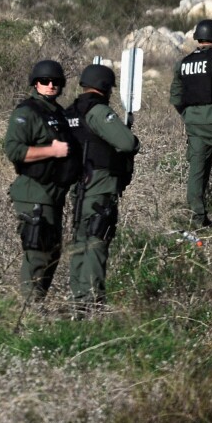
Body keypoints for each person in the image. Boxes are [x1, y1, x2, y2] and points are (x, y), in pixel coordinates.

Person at [65, 64, 141, 315]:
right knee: (97, 241)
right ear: (106, 87)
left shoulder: (70, 112)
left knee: (80, 241)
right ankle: (94, 302)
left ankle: (78, 300)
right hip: (99, 185)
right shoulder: (97, 111)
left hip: (78, 185)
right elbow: (127, 142)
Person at [3, 60, 82, 302]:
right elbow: (14, 150)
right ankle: (28, 313)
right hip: (33, 193)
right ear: (35, 83)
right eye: (45, 81)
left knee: (52, 254)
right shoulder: (26, 112)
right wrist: (51, 151)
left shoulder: (57, 113)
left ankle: (37, 305)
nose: (50, 85)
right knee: (37, 253)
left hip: (54, 194)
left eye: (55, 82)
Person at [169, 19, 212, 228]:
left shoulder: (183, 63)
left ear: (198, 37)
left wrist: (189, 114)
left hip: (194, 125)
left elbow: (176, 96)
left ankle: (197, 217)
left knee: (197, 170)